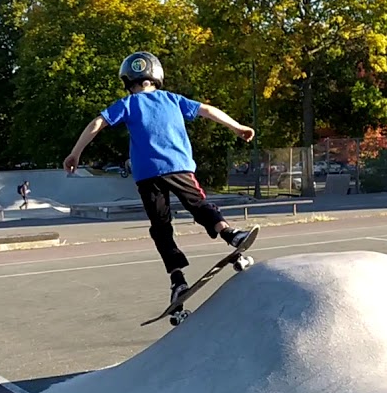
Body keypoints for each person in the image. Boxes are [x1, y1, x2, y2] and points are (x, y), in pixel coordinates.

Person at [63, 50, 258, 307]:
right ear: (156, 76)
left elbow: (97, 123)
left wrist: (76, 152)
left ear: (128, 80)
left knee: (160, 226)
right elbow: (208, 110)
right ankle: (230, 234)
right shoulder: (172, 99)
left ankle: (177, 280)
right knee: (198, 205)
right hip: (177, 166)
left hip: (146, 175)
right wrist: (237, 127)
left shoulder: (127, 104)